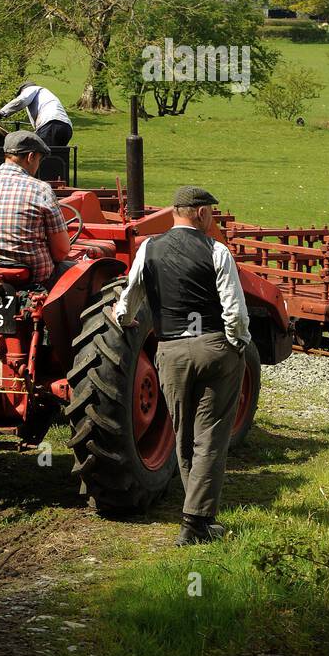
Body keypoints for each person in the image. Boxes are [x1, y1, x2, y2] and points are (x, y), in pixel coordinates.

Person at [114, 185, 250, 547]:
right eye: (212, 214)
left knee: (184, 434)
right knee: (211, 437)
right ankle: (196, 522)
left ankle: (196, 520)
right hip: (214, 348)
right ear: (202, 213)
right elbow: (234, 310)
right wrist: (237, 345)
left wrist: (128, 324)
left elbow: (126, 304)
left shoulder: (149, 249)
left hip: (171, 350)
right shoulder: (216, 250)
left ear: (176, 213)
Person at [0, 130, 71, 287]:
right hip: (33, 279)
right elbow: (61, 252)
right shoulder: (41, 189)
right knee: (78, 273)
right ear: (31, 157)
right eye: (39, 160)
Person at [0, 80, 73, 150]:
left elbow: (21, 101)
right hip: (66, 128)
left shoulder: (31, 89)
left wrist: (0, 113)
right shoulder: (45, 94)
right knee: (57, 158)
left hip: (51, 125)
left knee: (39, 157)